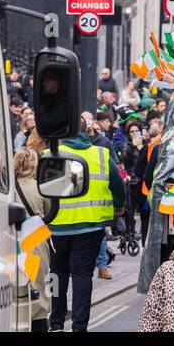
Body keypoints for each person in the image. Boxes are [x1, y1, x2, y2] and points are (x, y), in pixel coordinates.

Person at [47, 125, 125, 332]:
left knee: (56, 274)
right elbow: (118, 186)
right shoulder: (101, 154)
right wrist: (118, 205)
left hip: (56, 227)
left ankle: (55, 322)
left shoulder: (49, 154)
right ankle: (79, 326)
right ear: (87, 132)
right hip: (89, 227)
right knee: (82, 275)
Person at [12, 148, 52, 332]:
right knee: (38, 294)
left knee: (15, 291)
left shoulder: (8, 187)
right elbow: (51, 211)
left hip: (12, 240)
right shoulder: (40, 188)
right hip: (35, 240)